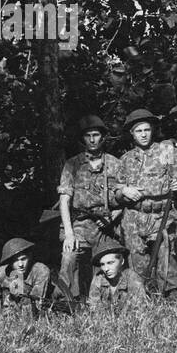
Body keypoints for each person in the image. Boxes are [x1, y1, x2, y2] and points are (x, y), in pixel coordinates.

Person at [113, 108, 177, 294]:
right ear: (132, 134)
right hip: (134, 216)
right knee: (137, 260)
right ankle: (143, 296)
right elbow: (116, 193)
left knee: (165, 255)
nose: (143, 135)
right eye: (139, 131)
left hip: (160, 215)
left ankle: (174, 295)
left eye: (146, 130)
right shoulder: (125, 159)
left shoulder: (165, 151)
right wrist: (125, 190)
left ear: (152, 130)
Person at [55, 114, 122, 299]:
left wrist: (115, 215)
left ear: (103, 137)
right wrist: (69, 233)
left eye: (96, 135)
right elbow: (64, 200)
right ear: (82, 139)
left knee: (114, 258)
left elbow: (126, 199)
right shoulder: (72, 164)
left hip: (108, 226)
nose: (92, 140)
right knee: (69, 255)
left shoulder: (115, 164)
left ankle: (111, 297)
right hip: (80, 223)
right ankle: (65, 301)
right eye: (88, 136)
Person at [0, 238, 52, 318]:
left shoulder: (40, 271)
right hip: (6, 316)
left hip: (33, 313)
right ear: (10, 261)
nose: (20, 264)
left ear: (30, 256)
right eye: (15, 260)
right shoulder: (1, 273)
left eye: (23, 259)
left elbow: (36, 304)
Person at [87, 240, 147, 310]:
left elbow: (140, 308)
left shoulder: (132, 278)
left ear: (122, 261)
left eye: (110, 263)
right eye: (102, 264)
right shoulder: (98, 279)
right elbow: (94, 308)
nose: (106, 269)